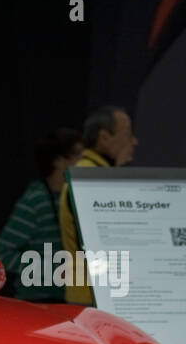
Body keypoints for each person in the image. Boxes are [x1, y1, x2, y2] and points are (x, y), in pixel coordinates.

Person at [57, 105, 139, 304]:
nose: (134, 142)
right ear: (104, 138)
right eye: (127, 134)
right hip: (94, 302)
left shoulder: (90, 178)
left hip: (95, 299)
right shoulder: (90, 181)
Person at [0, 128, 83, 301]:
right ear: (59, 161)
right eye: (79, 157)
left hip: (74, 302)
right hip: (40, 304)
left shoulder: (77, 199)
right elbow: (1, 255)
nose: (85, 163)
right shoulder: (36, 200)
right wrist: (52, 270)